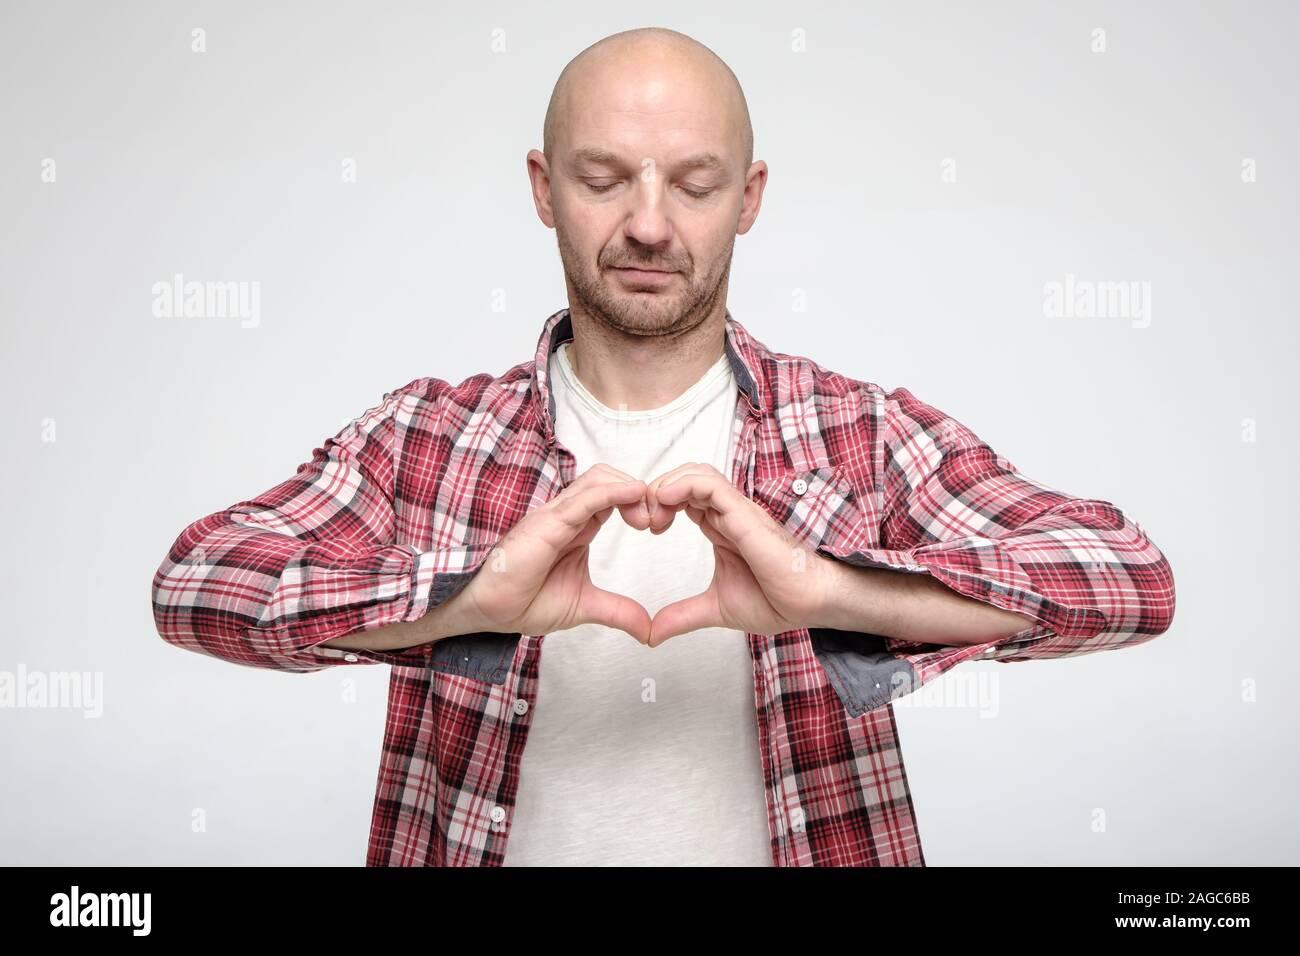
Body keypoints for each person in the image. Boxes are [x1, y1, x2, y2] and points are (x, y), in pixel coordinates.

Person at [150, 27, 1176, 866]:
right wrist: (467, 603)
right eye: (604, 177)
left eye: (693, 183)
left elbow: (1128, 579)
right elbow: (197, 583)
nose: (648, 224)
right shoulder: (425, 437)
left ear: (750, 197)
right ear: (543, 188)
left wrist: (833, 594)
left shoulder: (856, 432)